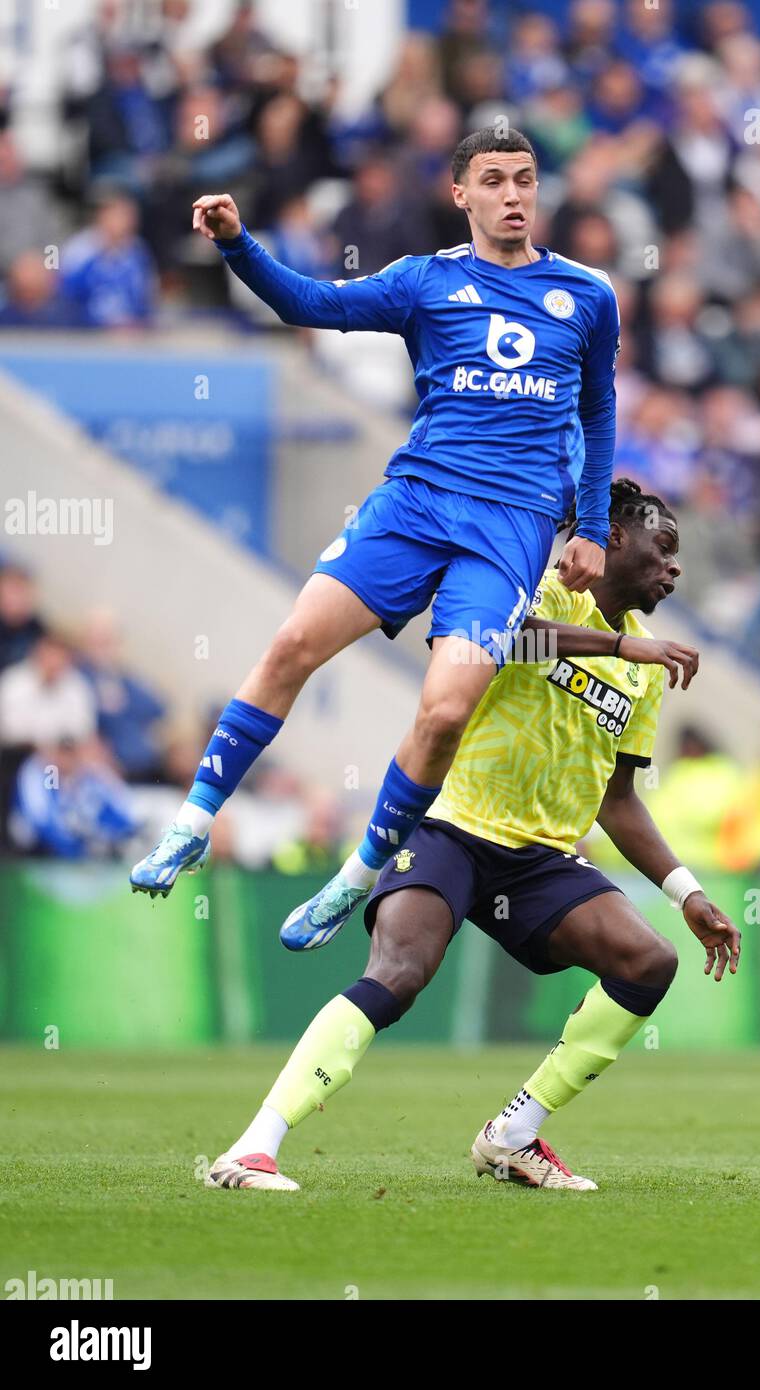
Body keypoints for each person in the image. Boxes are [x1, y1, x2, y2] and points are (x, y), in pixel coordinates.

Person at [130, 127, 626, 949]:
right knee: (292, 644)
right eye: (495, 180)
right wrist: (236, 244)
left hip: (509, 532)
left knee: (443, 714)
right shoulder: (424, 282)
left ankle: (355, 877)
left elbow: (598, 409)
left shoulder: (587, 295)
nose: (513, 195)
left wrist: (595, 527)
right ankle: (191, 821)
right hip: (415, 504)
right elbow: (309, 305)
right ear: (460, 193)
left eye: (526, 180)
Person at [204, 481, 739, 1193]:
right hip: (448, 827)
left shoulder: (642, 669)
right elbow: (496, 640)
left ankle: (513, 1135)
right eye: (663, 549)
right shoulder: (538, 590)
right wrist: (617, 647)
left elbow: (618, 803)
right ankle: (252, 1149)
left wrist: (687, 892)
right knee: (398, 974)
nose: (674, 569)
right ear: (610, 537)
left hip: (539, 863)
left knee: (647, 961)